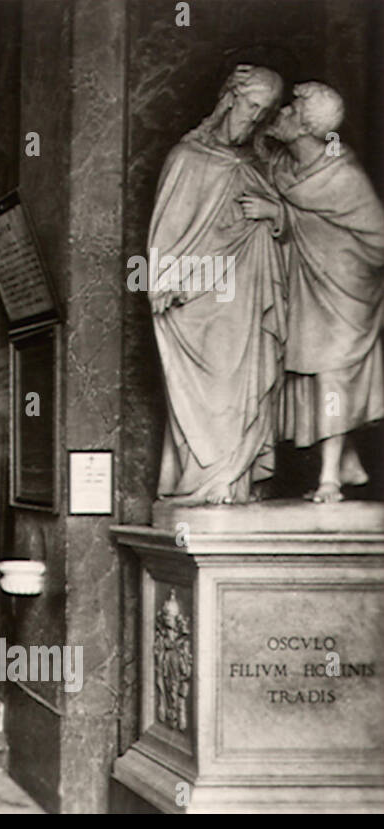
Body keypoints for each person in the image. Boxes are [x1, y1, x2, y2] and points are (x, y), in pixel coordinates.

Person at [147, 64, 287, 505]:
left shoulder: (255, 164)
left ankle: (235, 481)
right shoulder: (186, 158)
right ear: (229, 98)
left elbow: (293, 231)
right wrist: (168, 283)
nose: (254, 119)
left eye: (263, 112)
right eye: (250, 106)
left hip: (247, 299)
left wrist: (275, 214)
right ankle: (202, 482)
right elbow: (165, 237)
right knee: (210, 397)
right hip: (199, 305)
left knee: (244, 391)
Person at [244, 82, 384, 503]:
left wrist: (281, 214)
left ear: (306, 126)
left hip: (345, 291)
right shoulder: (286, 167)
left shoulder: (344, 176)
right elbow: (258, 158)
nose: (281, 112)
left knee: (332, 379)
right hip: (307, 289)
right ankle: (348, 461)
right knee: (313, 378)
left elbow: (378, 237)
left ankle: (329, 481)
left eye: (290, 109)